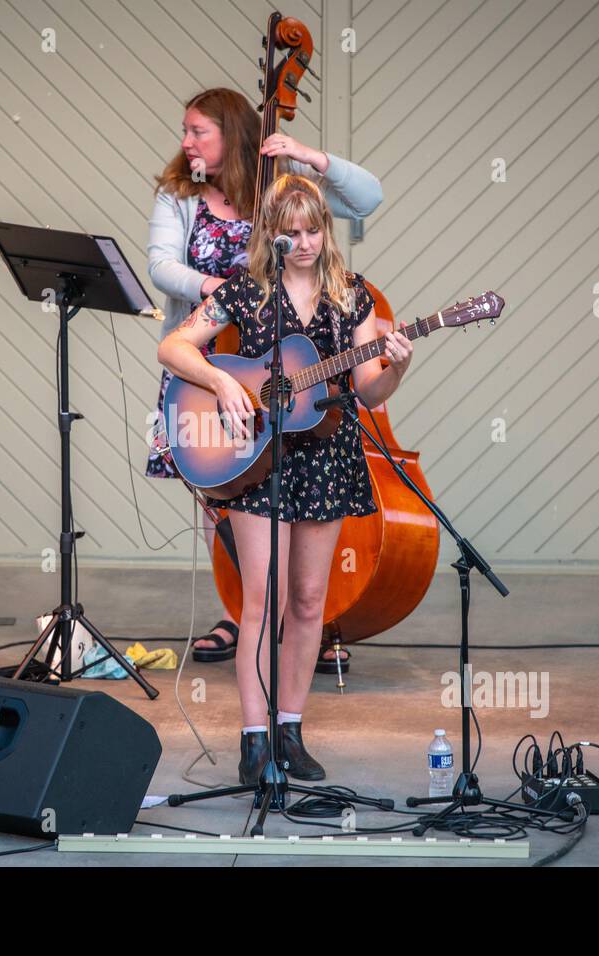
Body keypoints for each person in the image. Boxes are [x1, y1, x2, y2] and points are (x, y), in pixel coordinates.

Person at [157, 175, 413, 782]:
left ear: (327, 229)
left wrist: (397, 368)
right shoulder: (244, 293)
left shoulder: (353, 297)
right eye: (290, 232)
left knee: (307, 603)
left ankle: (290, 730)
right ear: (269, 234)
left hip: (325, 457)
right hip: (255, 458)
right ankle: (253, 738)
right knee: (260, 603)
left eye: (313, 229)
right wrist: (223, 381)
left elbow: (370, 392)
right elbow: (174, 347)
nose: (303, 243)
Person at [145, 87, 382, 669]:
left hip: (298, 385)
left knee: (305, 495)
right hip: (218, 364)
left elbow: (367, 198)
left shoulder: (281, 192)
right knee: (219, 489)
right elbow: (161, 266)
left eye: (199, 130)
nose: (187, 141)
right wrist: (233, 291)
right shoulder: (181, 196)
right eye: (186, 130)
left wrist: (309, 156)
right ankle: (242, 611)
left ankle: (306, 619)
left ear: (233, 132)